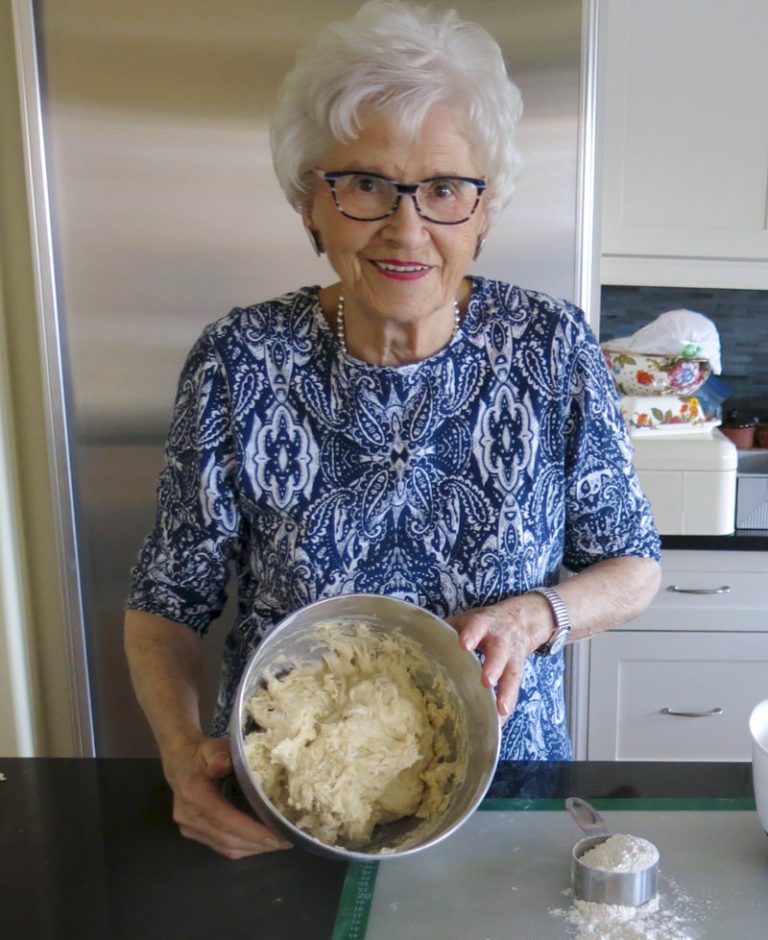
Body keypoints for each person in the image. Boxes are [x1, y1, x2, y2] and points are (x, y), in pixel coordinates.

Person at [124, 0, 661, 859]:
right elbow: (165, 603)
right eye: (366, 183)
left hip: (504, 804)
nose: (407, 228)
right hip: (289, 804)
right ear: (312, 202)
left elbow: (635, 568)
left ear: (485, 212)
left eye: (446, 188)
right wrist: (182, 756)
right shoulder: (240, 359)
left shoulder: (553, 349)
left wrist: (537, 616)